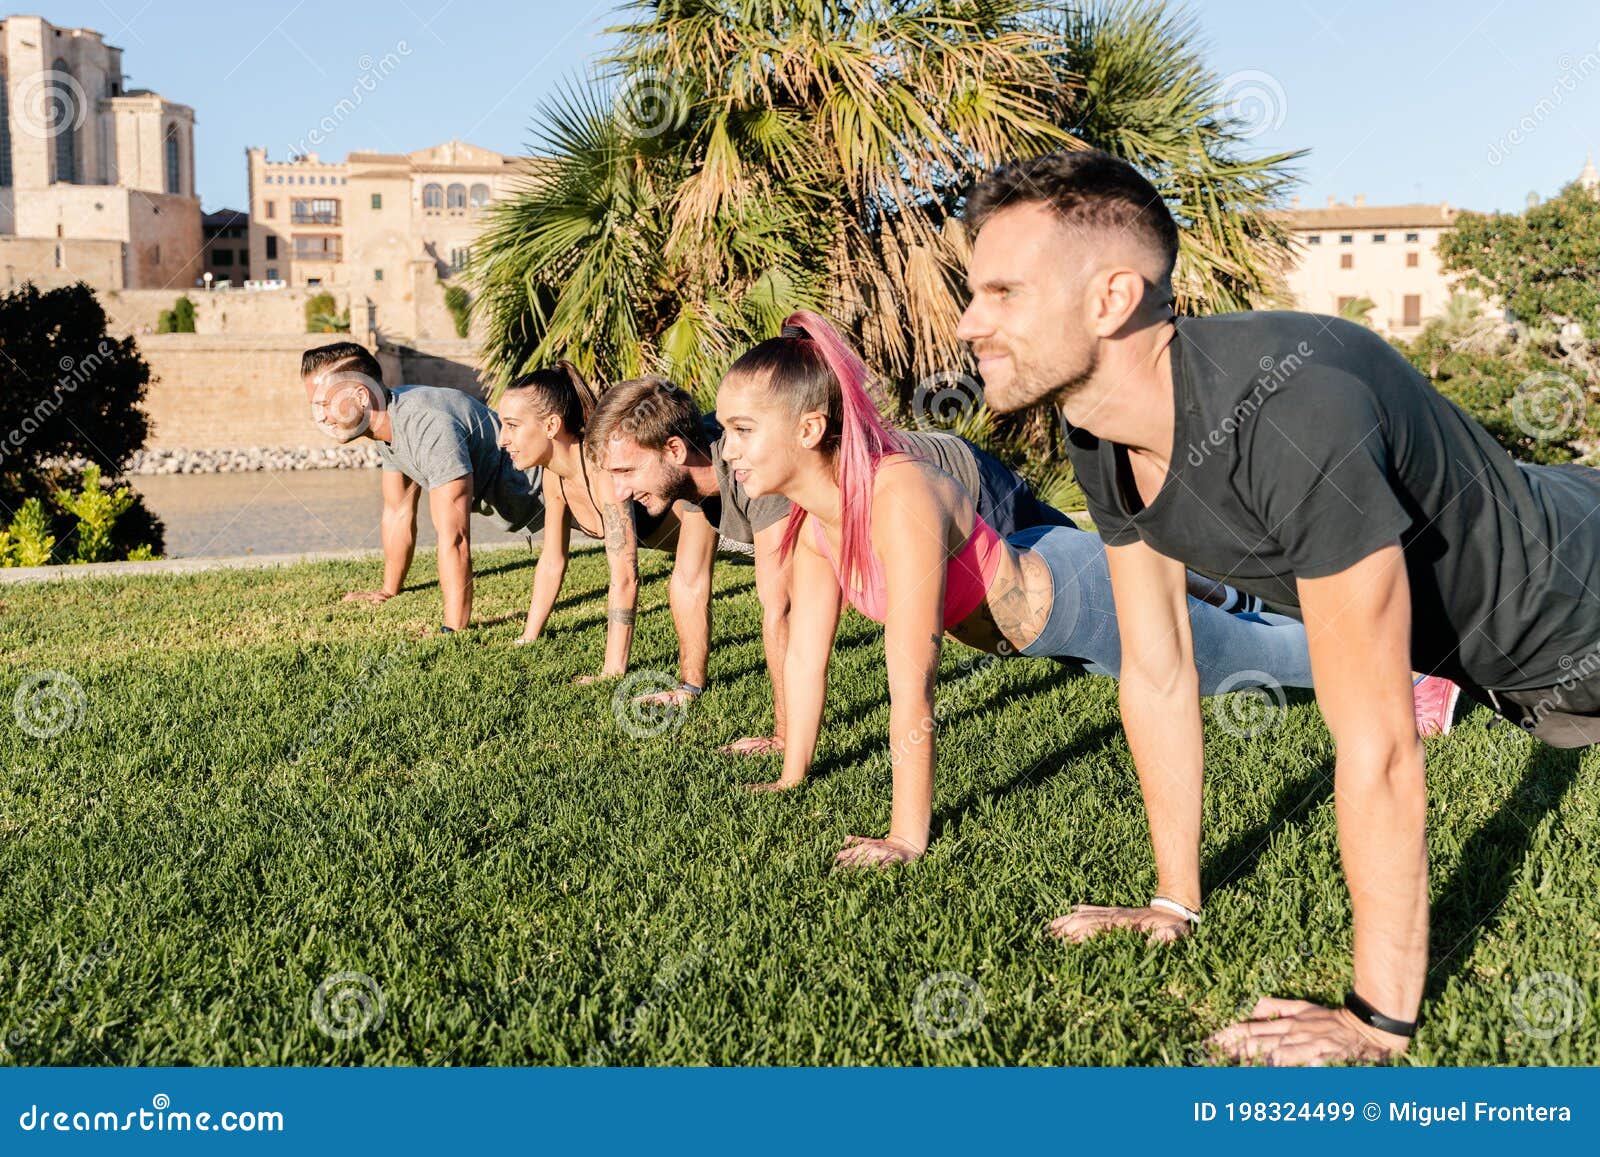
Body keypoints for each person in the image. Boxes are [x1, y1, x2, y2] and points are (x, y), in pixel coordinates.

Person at [955, 148, 1600, 1065]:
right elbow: (1158, 666)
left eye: (1003, 293)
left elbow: (1378, 740)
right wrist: (1172, 902)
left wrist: (1376, 1021)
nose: (970, 322)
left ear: (1111, 299)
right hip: (1528, 668)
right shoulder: (1100, 427)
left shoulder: (1292, 410)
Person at [710, 310, 1317, 864]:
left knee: (1277, 659)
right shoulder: (815, 527)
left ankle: (1368, 642)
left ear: (810, 428)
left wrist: (905, 836)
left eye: (742, 430)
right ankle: (1230, 596)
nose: (728, 450)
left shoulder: (898, 498)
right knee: (1231, 629)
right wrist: (792, 773)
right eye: (726, 431)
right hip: (1040, 588)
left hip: (1079, 603)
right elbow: (804, 658)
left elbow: (913, 684)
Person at [587, 377, 1207, 753]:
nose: (616, 492)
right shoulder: (698, 486)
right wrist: (690, 687)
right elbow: (689, 581)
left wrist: (784, 736)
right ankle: (1206, 591)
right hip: (935, 490)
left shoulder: (762, 472)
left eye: (625, 471)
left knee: (1084, 594)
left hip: (964, 484)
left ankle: (1213, 592)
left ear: (675, 449)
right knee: (1087, 602)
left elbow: (784, 608)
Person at [300, 342, 544, 632]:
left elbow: (456, 537)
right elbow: (397, 512)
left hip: (557, 493)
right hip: (531, 504)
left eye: (325, 404)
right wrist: (388, 590)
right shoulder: (388, 422)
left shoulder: (427, 426)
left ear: (361, 396)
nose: (321, 417)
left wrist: (451, 630)